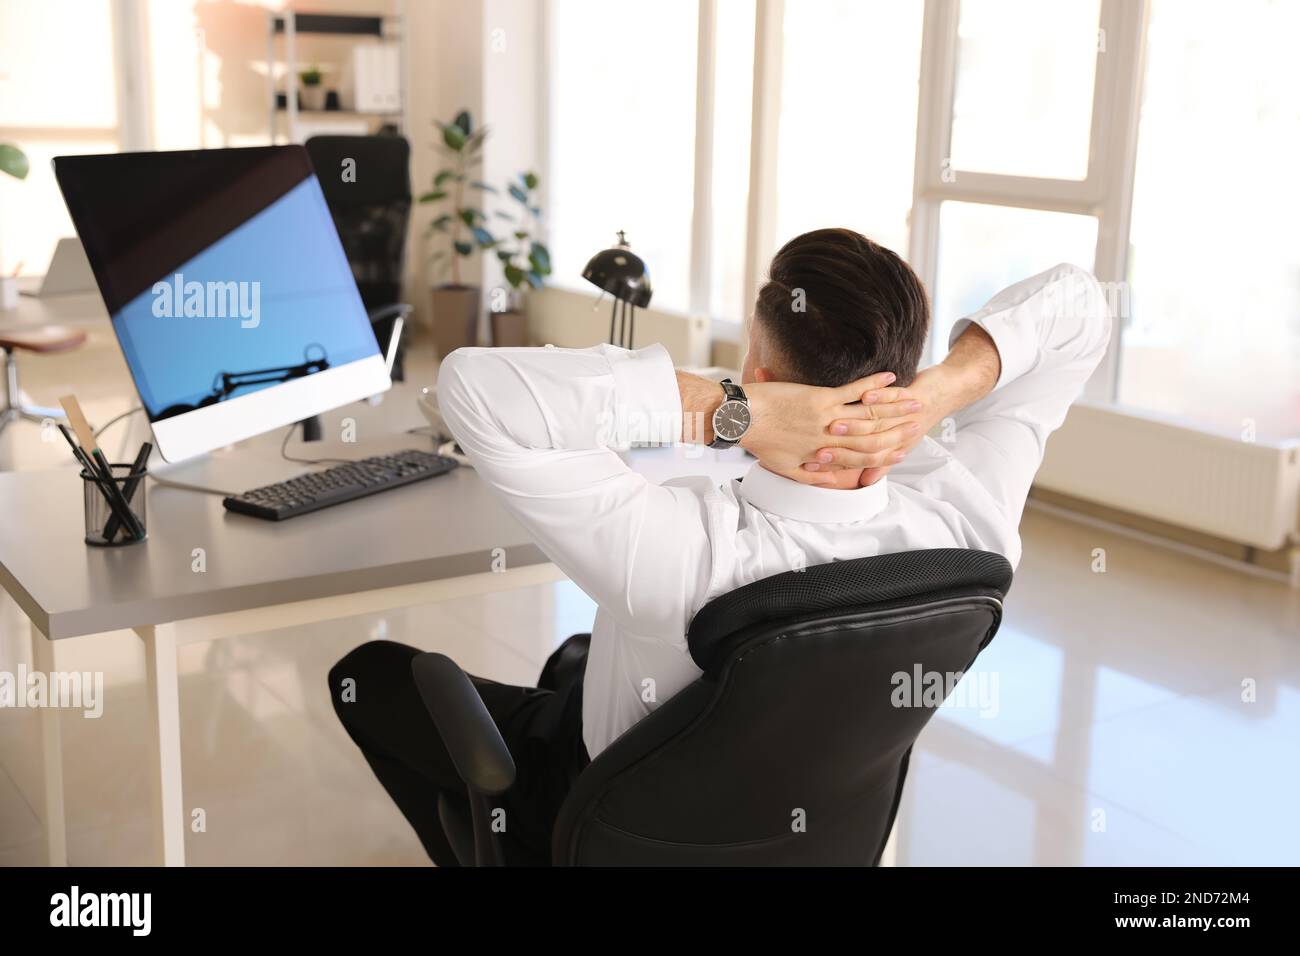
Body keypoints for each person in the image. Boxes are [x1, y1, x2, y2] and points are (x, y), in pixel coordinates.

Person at [330, 228, 1111, 864]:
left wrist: (730, 414)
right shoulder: (971, 521)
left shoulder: (686, 553)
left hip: (603, 818)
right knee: (574, 659)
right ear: (897, 377)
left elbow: (474, 388)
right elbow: (1080, 307)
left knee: (368, 677)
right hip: (816, 823)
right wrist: (938, 393)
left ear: (760, 375)